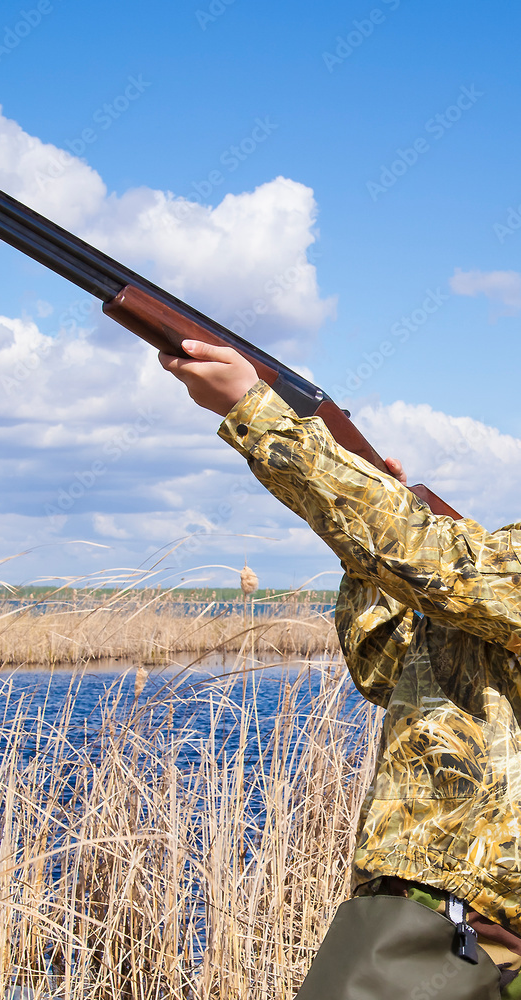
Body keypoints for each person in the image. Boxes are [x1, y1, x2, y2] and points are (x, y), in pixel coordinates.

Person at [160, 338, 521, 999]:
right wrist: (366, 547)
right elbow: (384, 667)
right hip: (427, 923)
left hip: (453, 933)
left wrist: (257, 412)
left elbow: (422, 551)